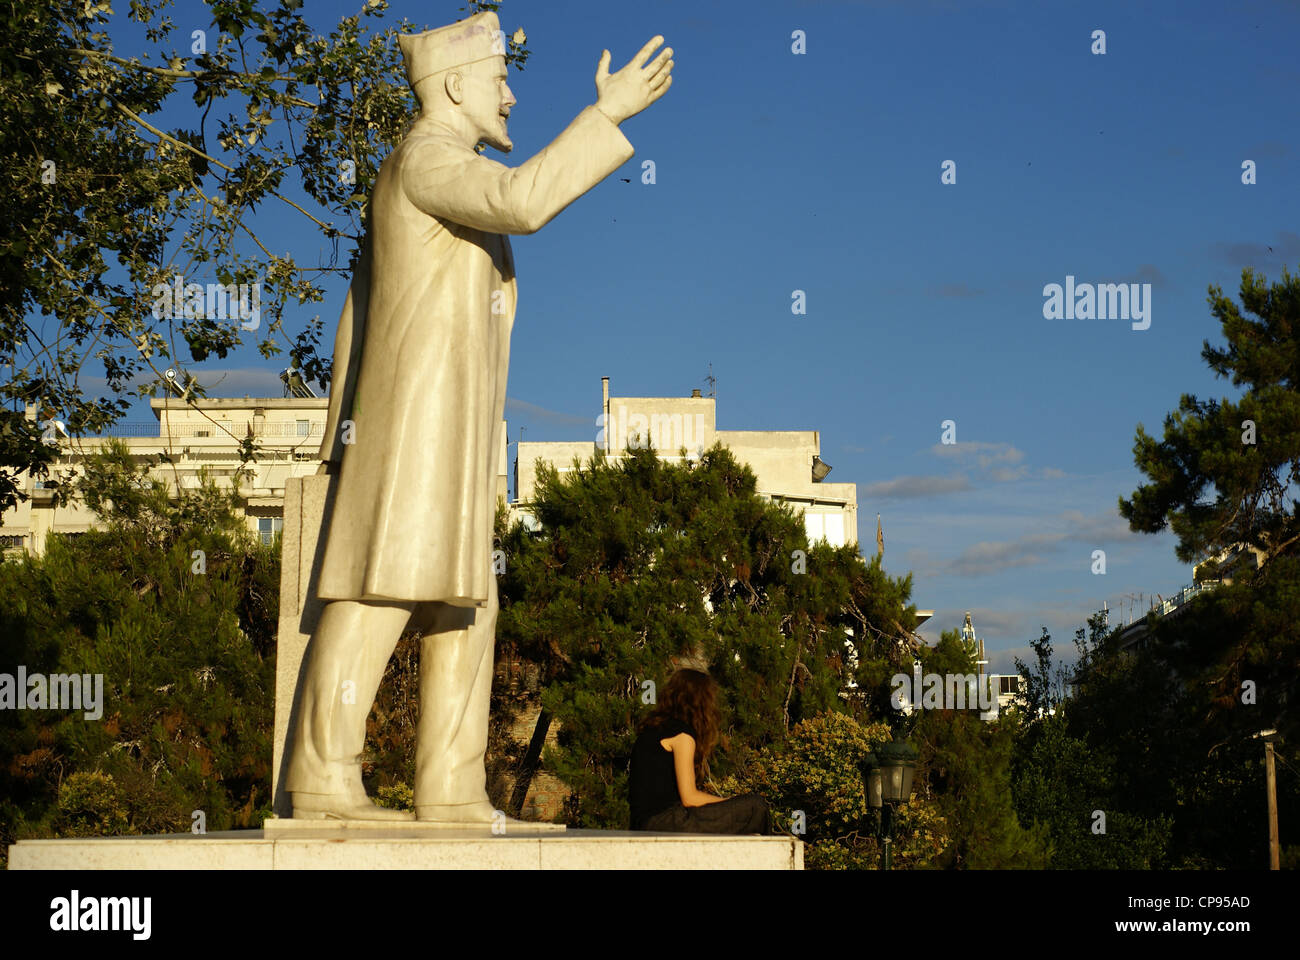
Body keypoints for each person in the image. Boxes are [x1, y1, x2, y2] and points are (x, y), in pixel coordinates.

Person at [283, 11, 675, 821]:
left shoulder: (426, 168)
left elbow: (356, 310)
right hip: (414, 424)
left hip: (450, 426)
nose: (510, 94)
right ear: (455, 85)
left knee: (465, 596)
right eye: (500, 80)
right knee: (381, 587)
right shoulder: (428, 159)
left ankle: (450, 787)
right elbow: (521, 199)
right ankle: (321, 775)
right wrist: (604, 118)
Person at [628, 669, 771, 834]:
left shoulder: (651, 729)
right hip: (666, 822)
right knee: (755, 807)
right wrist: (728, 802)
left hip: (645, 823)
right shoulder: (682, 735)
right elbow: (689, 798)